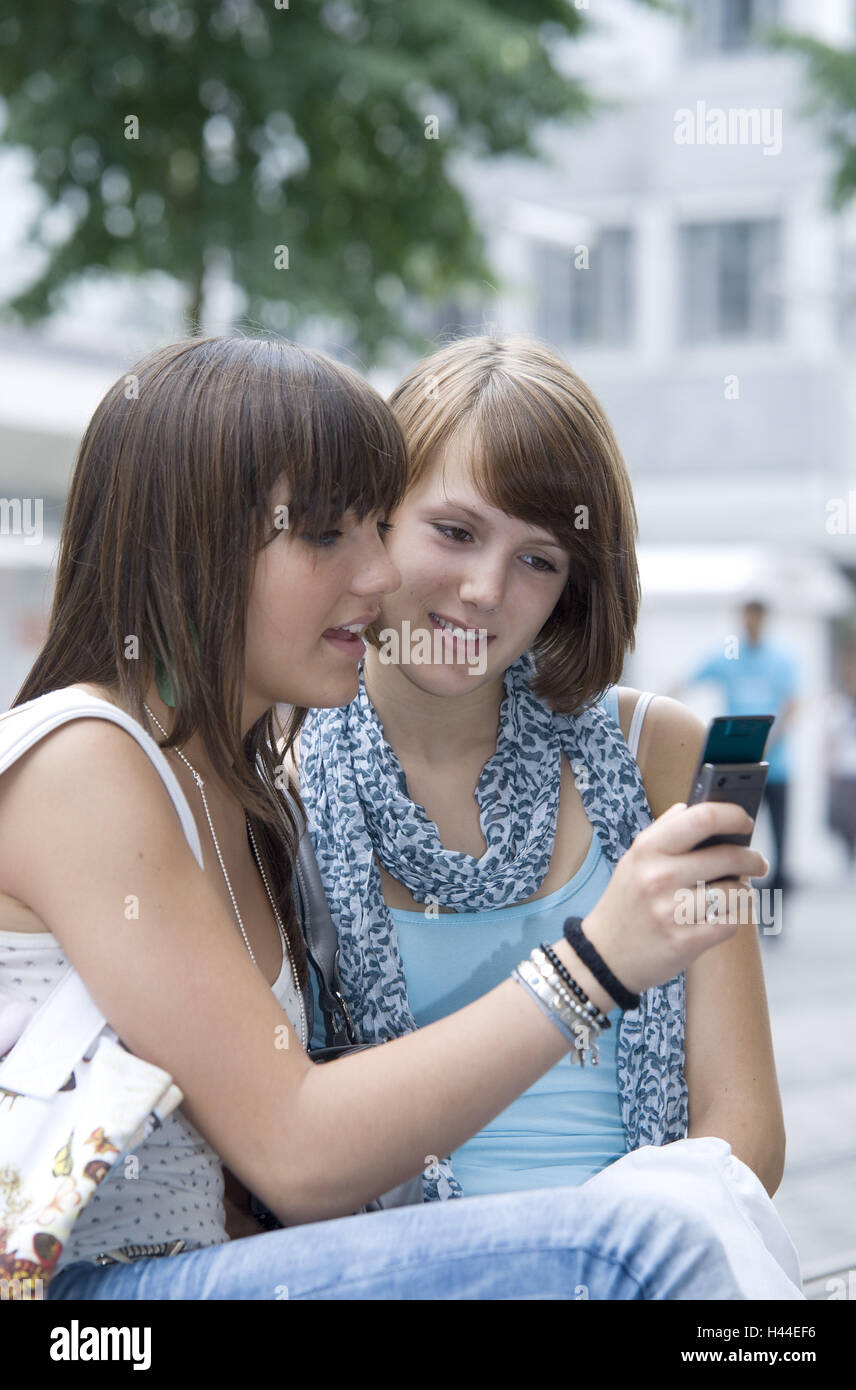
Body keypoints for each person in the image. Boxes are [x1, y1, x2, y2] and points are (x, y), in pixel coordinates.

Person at [0, 334, 781, 1301]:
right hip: (92, 1298)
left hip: (229, 1267)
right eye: (332, 534)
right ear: (195, 541)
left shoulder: (224, 790)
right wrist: (598, 963)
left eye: (540, 558)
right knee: (634, 1255)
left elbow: (243, 1165)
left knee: (676, 1252)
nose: (374, 578)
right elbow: (291, 1147)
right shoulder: (111, 763)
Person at [293, 333, 788, 1213]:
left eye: (539, 559)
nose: (486, 588)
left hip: (646, 1249)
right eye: (455, 531)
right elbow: (280, 1152)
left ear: (574, 587)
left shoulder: (663, 753)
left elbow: (745, 1128)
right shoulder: (280, 779)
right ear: (375, 519)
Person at [670, 600, 799, 900]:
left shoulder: (781, 659)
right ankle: (730, 898)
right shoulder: (727, 656)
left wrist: (769, 741)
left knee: (780, 841)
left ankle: (777, 911)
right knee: (731, 834)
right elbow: (687, 680)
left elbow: (792, 705)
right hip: (739, 767)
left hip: (776, 767)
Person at [825, 641, 856, 875]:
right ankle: (850, 850)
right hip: (845, 769)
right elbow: (830, 739)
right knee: (842, 817)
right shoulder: (839, 707)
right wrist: (829, 768)